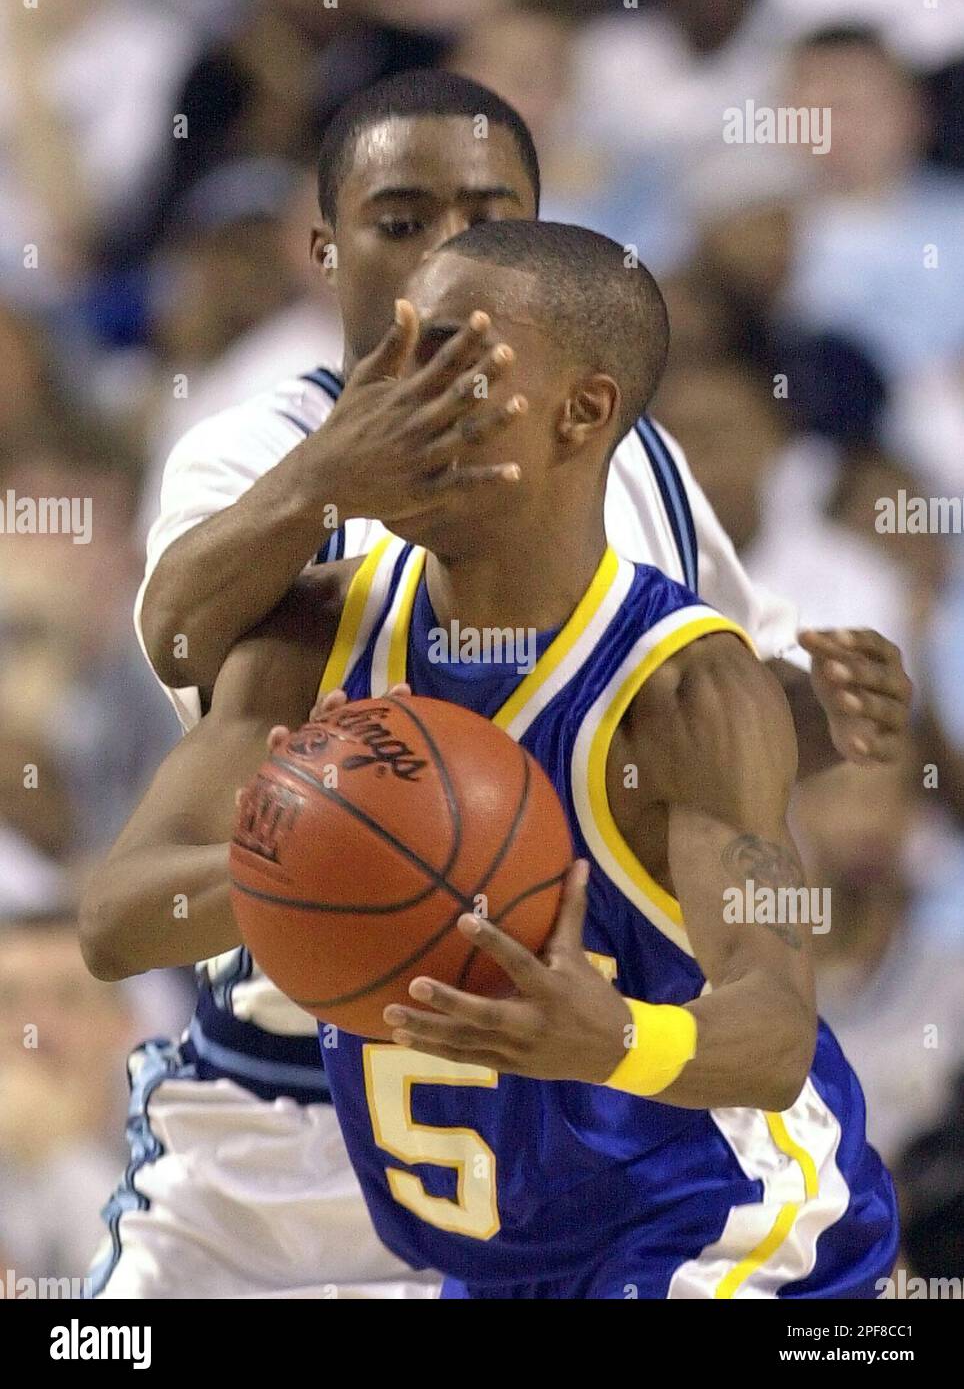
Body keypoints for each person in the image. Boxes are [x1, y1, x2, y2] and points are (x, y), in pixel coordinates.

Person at [98, 70, 908, 1300]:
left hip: (685, 1193)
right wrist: (345, 864)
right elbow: (129, 869)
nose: (424, 382)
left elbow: (756, 958)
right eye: (407, 238)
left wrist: (819, 711)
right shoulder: (288, 551)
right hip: (330, 1110)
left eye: (468, 366)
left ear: (584, 419)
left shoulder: (671, 605)